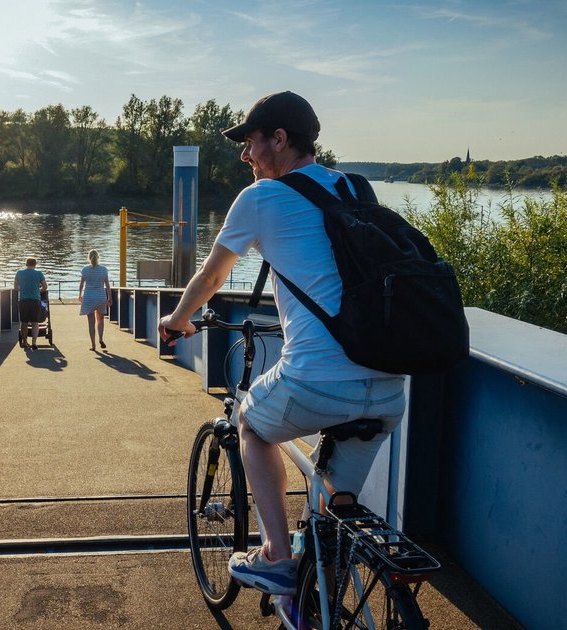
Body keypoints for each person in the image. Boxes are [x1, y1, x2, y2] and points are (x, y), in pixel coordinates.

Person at [158, 91, 406, 596]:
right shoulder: (354, 188)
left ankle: (273, 556)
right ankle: (324, 601)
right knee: (332, 518)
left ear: (279, 138)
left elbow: (210, 277)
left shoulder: (260, 198)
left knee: (250, 423)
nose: (244, 156)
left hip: (318, 380)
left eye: (249, 142)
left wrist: (177, 319)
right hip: (388, 389)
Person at [78, 249, 112, 352]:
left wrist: (80, 294)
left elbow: (82, 284)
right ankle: (101, 338)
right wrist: (110, 297)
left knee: (91, 322)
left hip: (89, 298)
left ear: (89, 257)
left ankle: (93, 345)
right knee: (100, 320)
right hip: (101, 297)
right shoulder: (103, 269)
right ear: (98, 257)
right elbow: (107, 285)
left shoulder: (85, 269)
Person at [14, 257, 48, 350]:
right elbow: (45, 287)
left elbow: (16, 288)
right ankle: (34, 342)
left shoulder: (19, 273)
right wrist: (38, 290)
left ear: (26, 264)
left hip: (23, 300)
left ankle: (24, 342)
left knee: (24, 322)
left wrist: (24, 289)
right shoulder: (39, 273)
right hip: (35, 300)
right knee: (35, 323)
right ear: (35, 264)